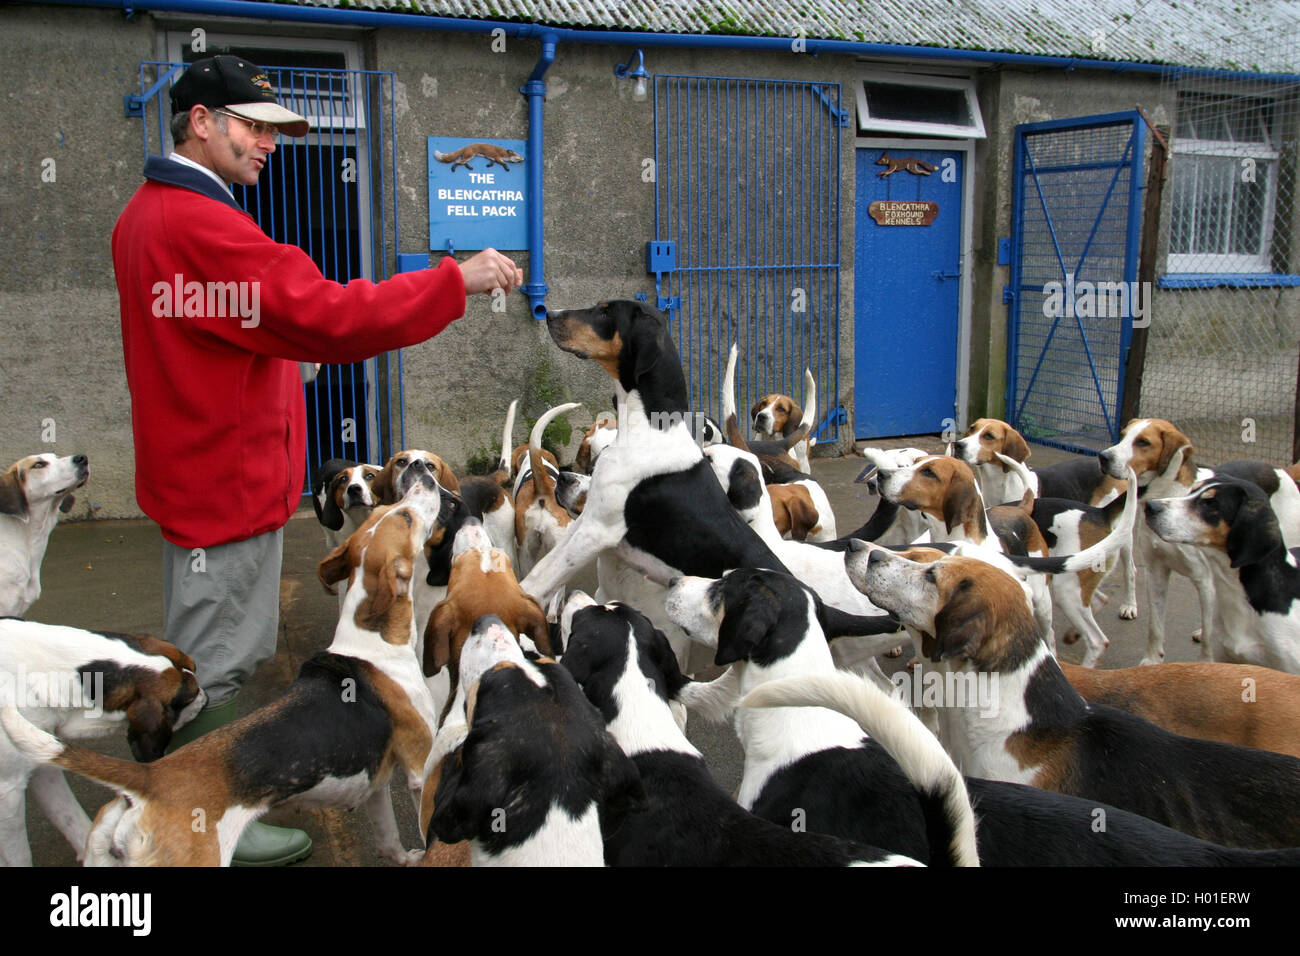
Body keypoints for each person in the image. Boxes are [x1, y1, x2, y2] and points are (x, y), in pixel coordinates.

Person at [112, 54, 523, 866]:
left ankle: (196, 805)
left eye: (275, 129)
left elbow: (224, 329)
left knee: (214, 656)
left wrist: (269, 355)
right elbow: (329, 316)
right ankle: (188, 820)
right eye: (252, 126)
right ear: (201, 122)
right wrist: (453, 280)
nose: (269, 142)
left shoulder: (150, 215)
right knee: (213, 675)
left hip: (201, 480)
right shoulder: (201, 224)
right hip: (221, 496)